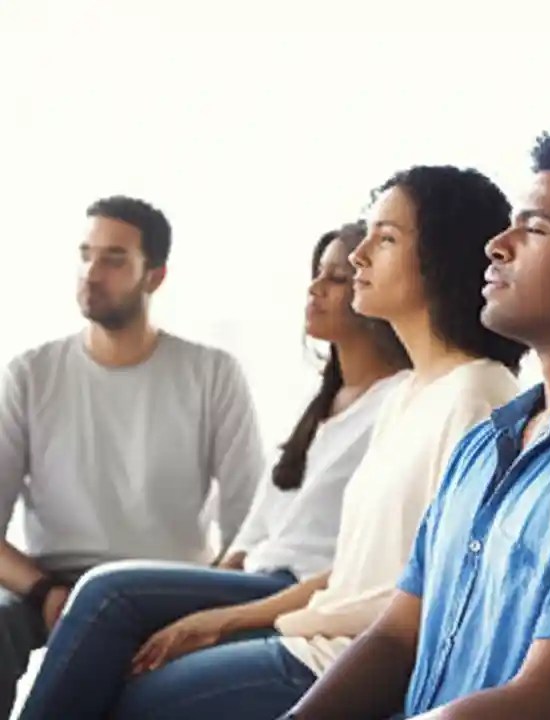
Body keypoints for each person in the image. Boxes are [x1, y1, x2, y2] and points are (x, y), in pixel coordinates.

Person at [21, 168, 528, 720]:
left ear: (443, 258)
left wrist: (251, 619)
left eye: (384, 240)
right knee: (123, 665)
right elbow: (359, 573)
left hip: (342, 661)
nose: (359, 257)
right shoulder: (412, 394)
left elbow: (448, 595)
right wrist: (227, 618)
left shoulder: (476, 396)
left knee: (131, 690)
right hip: (315, 637)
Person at [283, 123, 550, 720]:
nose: (497, 244)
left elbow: (546, 696)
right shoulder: (486, 442)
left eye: (534, 228)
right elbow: (396, 634)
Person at [18, 221, 411, 718]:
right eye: (316, 273)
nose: (315, 288)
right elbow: (251, 538)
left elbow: (376, 562)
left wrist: (225, 616)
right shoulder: (324, 407)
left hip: (301, 592)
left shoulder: (400, 401)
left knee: (106, 590)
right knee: (116, 646)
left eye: (336, 278)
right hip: (262, 578)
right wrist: (200, 604)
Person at [0, 196, 264, 714]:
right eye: (85, 254)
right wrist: (43, 593)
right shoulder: (30, 374)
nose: (91, 273)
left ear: (155, 276)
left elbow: (249, 527)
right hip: (51, 584)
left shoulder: (211, 373)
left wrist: (199, 613)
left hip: (166, 588)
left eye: (114, 259)